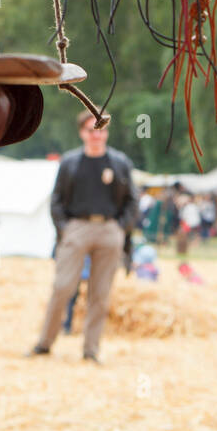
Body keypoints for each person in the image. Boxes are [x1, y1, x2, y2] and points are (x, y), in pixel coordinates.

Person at [30, 111, 139, 361]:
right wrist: (65, 228)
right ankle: (45, 343)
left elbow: (132, 199)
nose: (96, 135)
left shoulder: (119, 162)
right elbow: (56, 200)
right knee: (62, 287)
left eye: (100, 130)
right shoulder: (69, 163)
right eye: (91, 130)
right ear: (82, 132)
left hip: (109, 229)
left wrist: (121, 228)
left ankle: (91, 350)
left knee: (99, 294)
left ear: (106, 132)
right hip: (77, 227)